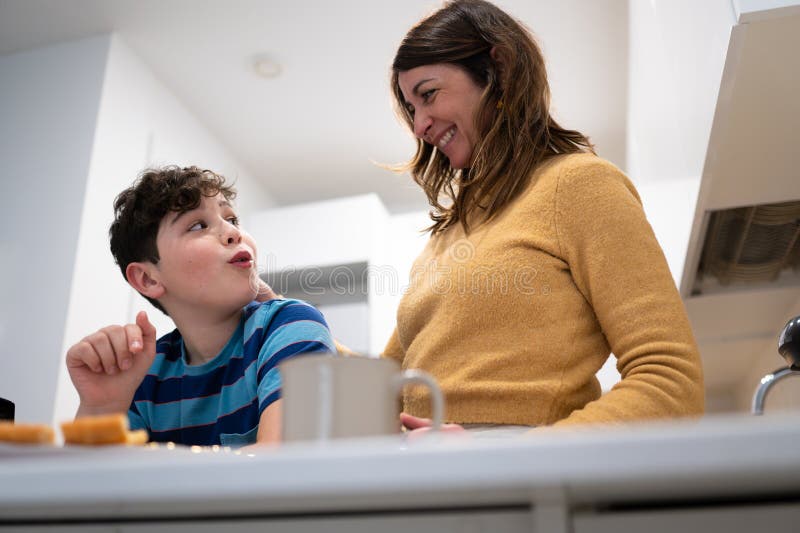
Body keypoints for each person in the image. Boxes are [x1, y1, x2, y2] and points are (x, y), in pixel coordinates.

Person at [384, 0, 704, 435]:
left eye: (428, 94)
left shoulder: (579, 185)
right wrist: (273, 309)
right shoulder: (448, 235)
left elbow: (672, 381)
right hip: (428, 482)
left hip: (531, 489)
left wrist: (511, 457)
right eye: (411, 108)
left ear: (498, 72)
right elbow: (382, 384)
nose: (419, 125)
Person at [65, 166, 335, 446]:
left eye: (232, 218)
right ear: (147, 278)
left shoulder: (290, 324)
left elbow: (288, 467)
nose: (233, 232)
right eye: (198, 225)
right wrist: (101, 408)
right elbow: (88, 488)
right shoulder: (142, 375)